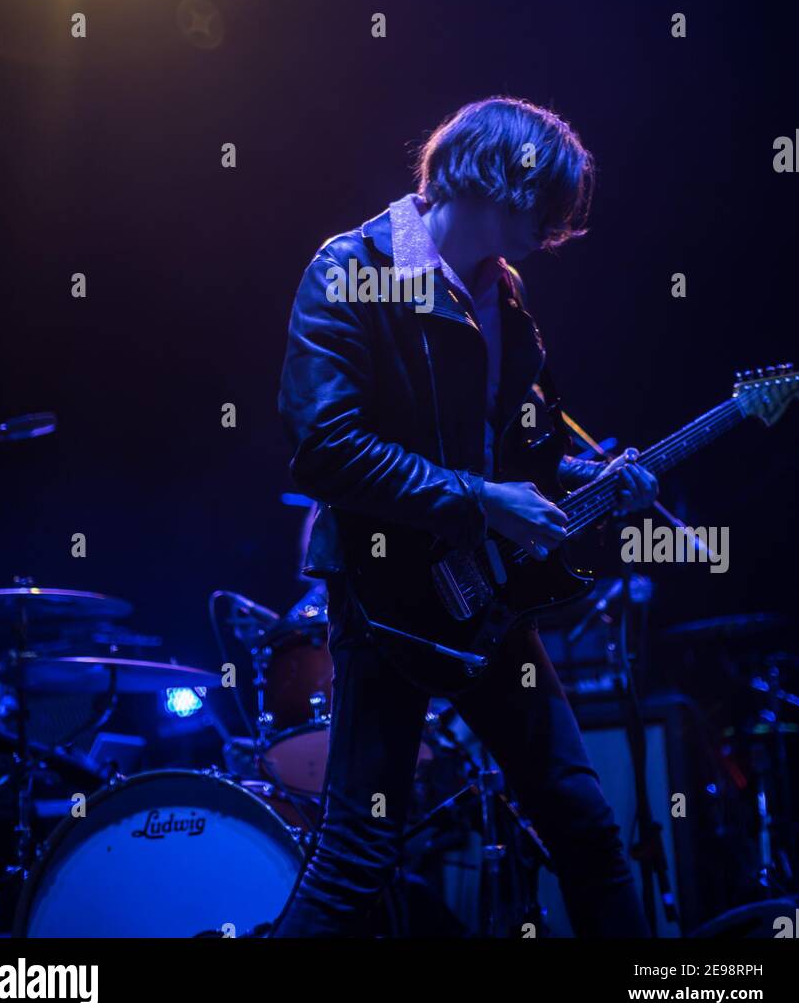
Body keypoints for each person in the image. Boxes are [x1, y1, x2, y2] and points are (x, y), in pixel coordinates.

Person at [274, 96, 657, 937]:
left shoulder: (507, 299)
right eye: (546, 202)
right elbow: (324, 450)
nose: (555, 226)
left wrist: (594, 475)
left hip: (485, 599)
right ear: (492, 174)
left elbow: (518, 455)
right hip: (386, 600)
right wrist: (482, 502)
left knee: (586, 830)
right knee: (357, 853)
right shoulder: (354, 267)